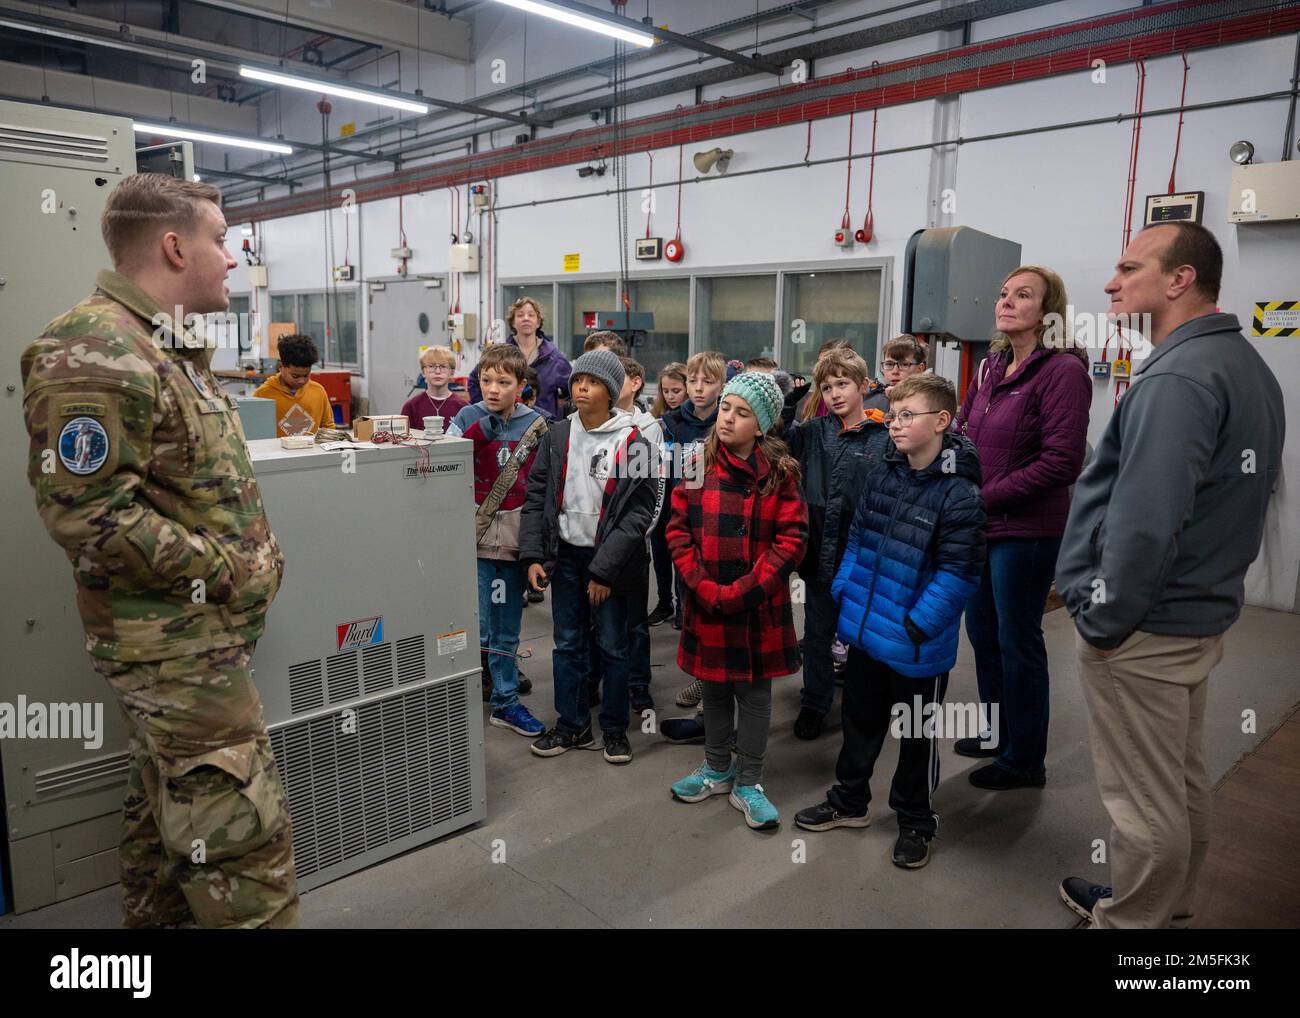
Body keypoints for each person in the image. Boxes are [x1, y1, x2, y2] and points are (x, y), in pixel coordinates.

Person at [19, 173, 298, 928]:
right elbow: (87, 512)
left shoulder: (166, 344)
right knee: (244, 847)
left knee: (168, 825)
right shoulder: (91, 349)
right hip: (175, 651)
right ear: (175, 246)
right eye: (221, 240)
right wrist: (230, 569)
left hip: (198, 644)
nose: (233, 258)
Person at [1056, 222, 1285, 929]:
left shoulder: (1181, 376)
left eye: (1129, 266)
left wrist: (1105, 619)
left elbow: (1146, 520)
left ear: (1180, 279)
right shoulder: (1240, 363)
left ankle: (1131, 927)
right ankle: (1160, 902)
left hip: (1145, 627)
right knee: (1177, 780)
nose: (1110, 282)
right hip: (1192, 615)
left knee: (1141, 801)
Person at [796, 374, 985, 869]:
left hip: (916, 645)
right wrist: (844, 590)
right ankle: (849, 801)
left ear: (942, 421)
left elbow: (960, 572)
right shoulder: (885, 472)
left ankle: (916, 820)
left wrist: (918, 624)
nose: (895, 425)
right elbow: (858, 539)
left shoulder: (959, 494)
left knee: (917, 736)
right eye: (893, 415)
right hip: (865, 631)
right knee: (859, 722)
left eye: (907, 416)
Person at [954, 265, 1091, 790]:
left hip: (1027, 533)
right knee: (984, 635)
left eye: (1023, 295)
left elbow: (1062, 462)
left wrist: (981, 496)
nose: (1006, 302)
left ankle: (1024, 759)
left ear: (1048, 309)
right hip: (980, 526)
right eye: (1003, 292)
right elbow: (964, 432)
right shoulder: (991, 366)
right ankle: (997, 733)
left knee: (1018, 640)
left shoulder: (1063, 371)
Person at [667, 372, 807, 830]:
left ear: (762, 425)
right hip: (706, 600)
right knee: (713, 686)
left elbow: (791, 540)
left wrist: (746, 589)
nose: (727, 417)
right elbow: (677, 529)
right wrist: (702, 586)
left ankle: (749, 780)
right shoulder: (694, 461)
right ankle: (716, 767)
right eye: (726, 407)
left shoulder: (781, 473)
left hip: (756, 604)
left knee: (754, 694)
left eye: (742, 413)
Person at [519, 349, 657, 764]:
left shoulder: (636, 441)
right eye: (578, 379)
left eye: (593, 381)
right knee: (567, 644)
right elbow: (536, 497)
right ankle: (572, 724)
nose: (581, 386)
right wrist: (533, 555)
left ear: (611, 391)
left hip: (608, 567)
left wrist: (603, 570)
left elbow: (639, 514)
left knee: (614, 647)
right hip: (565, 559)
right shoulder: (557, 435)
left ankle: (614, 730)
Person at [784, 347, 891, 740]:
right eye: (826, 387)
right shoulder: (812, 432)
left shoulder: (885, 437)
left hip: (863, 557)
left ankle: (865, 706)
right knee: (816, 635)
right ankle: (815, 701)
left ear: (864, 386)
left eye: (842, 384)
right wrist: (791, 399)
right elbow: (776, 437)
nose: (834, 394)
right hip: (818, 557)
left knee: (864, 638)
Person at [448, 344, 547, 736]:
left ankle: (505, 701)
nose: (492, 389)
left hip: (514, 543)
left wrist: (541, 547)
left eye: (503, 382)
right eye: (486, 380)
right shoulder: (466, 417)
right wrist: (474, 435)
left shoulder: (537, 425)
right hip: (471, 540)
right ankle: (460, 692)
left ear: (521, 385)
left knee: (505, 624)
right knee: (473, 623)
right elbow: (442, 470)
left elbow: (543, 489)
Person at [662, 350, 726, 655]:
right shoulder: (670, 422)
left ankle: (712, 644)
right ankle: (690, 639)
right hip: (682, 513)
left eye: (708, 381)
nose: (699, 388)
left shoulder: (727, 423)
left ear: (722, 385)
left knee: (713, 582)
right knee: (685, 577)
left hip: (717, 516)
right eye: (692, 380)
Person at [469, 297, 571, 419]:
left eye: (531, 315)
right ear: (513, 322)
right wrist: (486, 410)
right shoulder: (499, 354)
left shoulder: (554, 357)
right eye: (520, 315)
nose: (526, 318)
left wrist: (562, 419)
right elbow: (474, 380)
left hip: (544, 425)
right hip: (504, 424)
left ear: (538, 322)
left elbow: (571, 390)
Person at [648, 362, 688, 626]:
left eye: (677, 390)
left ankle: (685, 607)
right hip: (660, 498)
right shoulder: (654, 420)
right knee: (660, 552)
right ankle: (665, 602)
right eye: (666, 391)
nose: (671, 396)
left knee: (681, 555)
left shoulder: (691, 422)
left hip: (683, 496)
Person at [254, 332, 335, 436]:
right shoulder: (263, 395)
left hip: (311, 452)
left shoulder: (318, 392)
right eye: (295, 376)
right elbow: (255, 432)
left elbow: (328, 427)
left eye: (306, 375)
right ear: (281, 366)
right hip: (276, 452)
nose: (301, 381)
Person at [401, 345, 468, 431]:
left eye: (443, 367)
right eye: (431, 366)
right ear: (423, 372)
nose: (437, 371)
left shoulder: (462, 408)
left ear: (452, 372)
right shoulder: (411, 407)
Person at [868, 335, 927, 412]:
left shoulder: (931, 400)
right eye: (889, 364)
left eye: (904, 364)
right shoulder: (869, 399)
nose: (895, 371)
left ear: (920, 369)